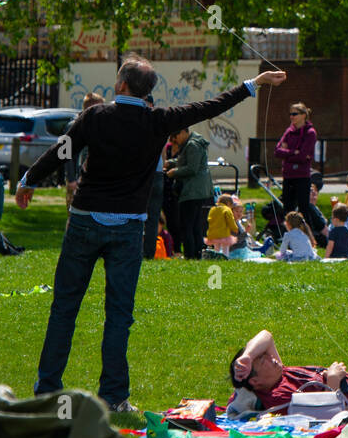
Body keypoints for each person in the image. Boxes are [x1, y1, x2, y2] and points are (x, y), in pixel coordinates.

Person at [16, 56, 286, 412]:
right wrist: (255, 83)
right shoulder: (159, 120)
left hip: (85, 222)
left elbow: (61, 150)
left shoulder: (96, 116)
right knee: (118, 315)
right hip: (128, 227)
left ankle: (47, 391)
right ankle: (113, 398)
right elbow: (211, 105)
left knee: (64, 308)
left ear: (121, 85)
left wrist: (27, 180)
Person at [166, 126, 212, 260]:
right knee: (195, 225)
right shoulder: (192, 143)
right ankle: (196, 255)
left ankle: (190, 256)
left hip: (192, 191)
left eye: (175, 138)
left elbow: (192, 168)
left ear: (182, 132)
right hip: (198, 190)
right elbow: (186, 161)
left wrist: (174, 172)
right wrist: (172, 163)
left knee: (187, 226)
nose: (175, 141)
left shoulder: (192, 145)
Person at [275, 103, 317, 225]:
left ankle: (308, 238)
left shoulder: (310, 133)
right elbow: (277, 151)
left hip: (302, 176)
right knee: (288, 209)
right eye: (290, 114)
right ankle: (288, 238)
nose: (292, 117)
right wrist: (294, 152)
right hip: (288, 175)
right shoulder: (289, 131)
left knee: (303, 208)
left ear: (304, 115)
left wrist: (287, 153)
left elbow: (303, 156)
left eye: (295, 114)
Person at [141, 94, 165, 260]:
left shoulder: (140, 122)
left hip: (144, 174)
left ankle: (138, 251)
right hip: (158, 173)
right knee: (153, 216)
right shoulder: (159, 122)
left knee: (137, 214)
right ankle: (149, 252)